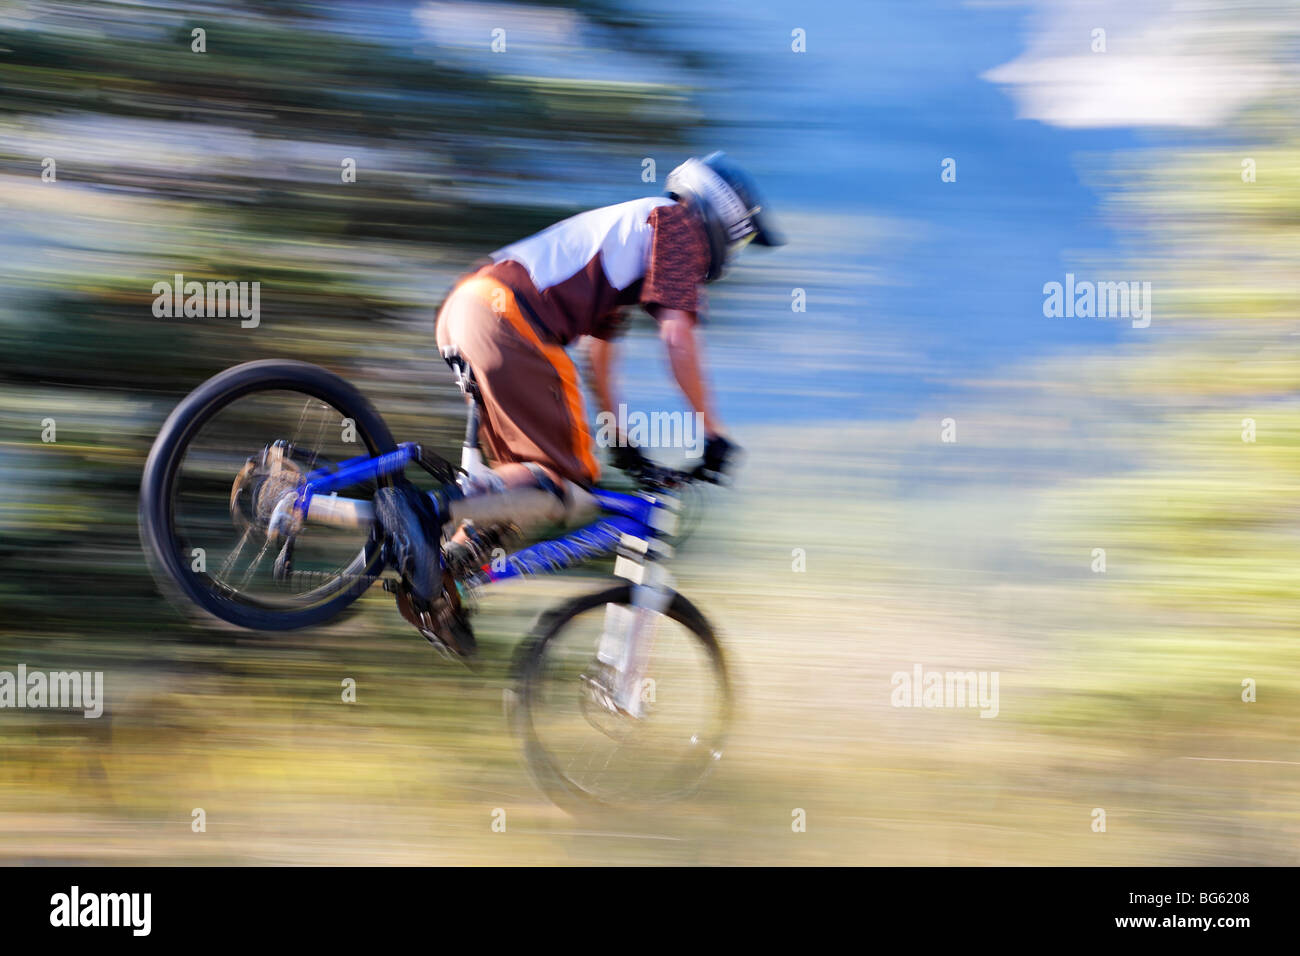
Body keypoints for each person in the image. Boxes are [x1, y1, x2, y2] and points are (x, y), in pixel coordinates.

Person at [375, 152, 784, 657]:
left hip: (469, 311)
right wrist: (715, 434)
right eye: (739, 237)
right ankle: (418, 510)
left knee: (517, 489)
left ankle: (440, 586)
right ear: (719, 215)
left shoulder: (637, 241)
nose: (734, 252)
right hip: (506, 317)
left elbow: (601, 354)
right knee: (561, 478)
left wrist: (620, 440)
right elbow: (678, 340)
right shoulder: (676, 225)